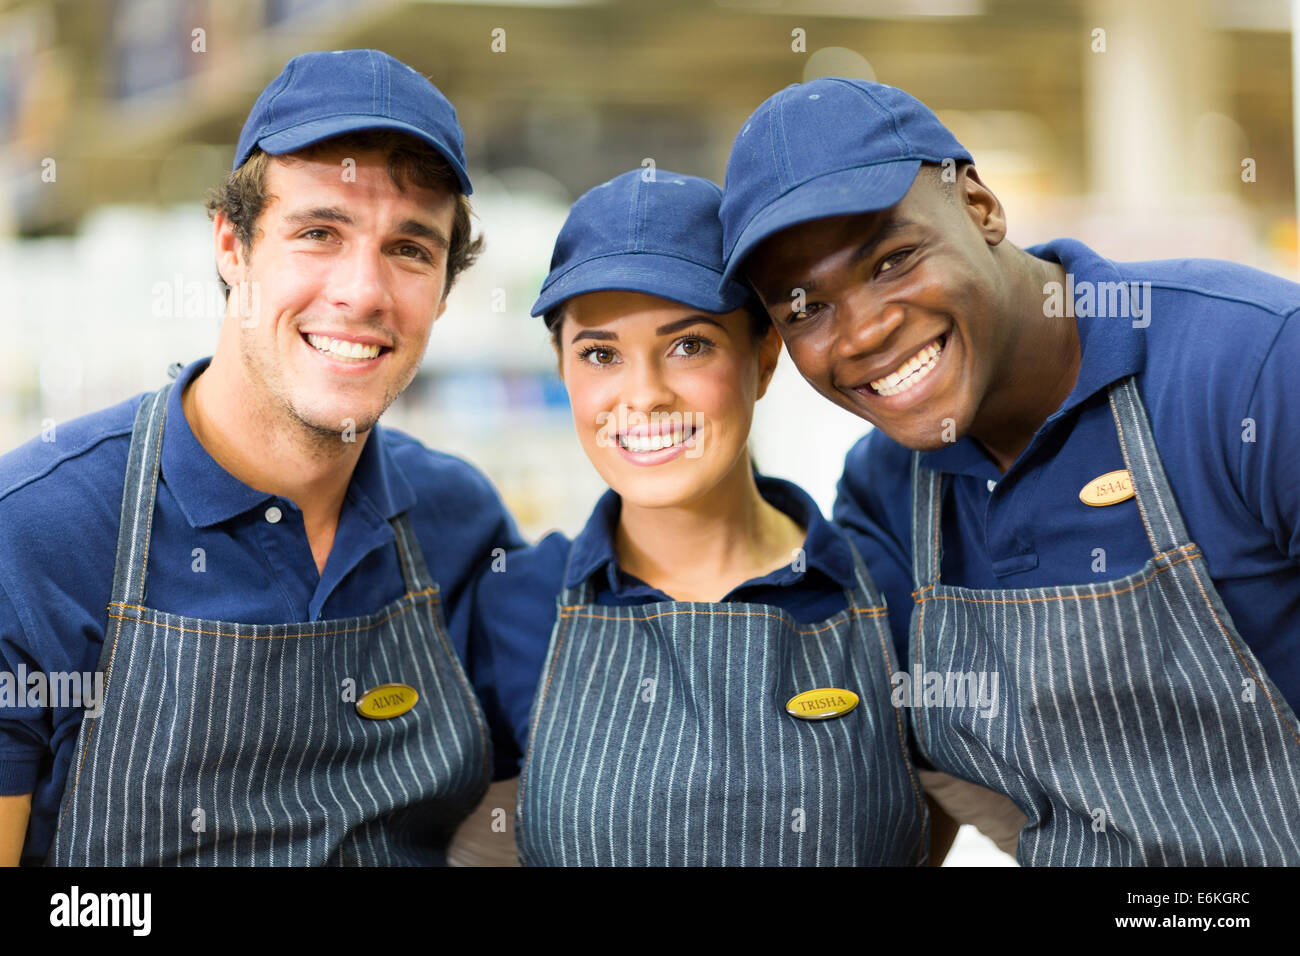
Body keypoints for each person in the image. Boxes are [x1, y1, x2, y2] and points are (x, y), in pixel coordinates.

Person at [717, 76, 1300, 865]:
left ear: (981, 208)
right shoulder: (889, 495)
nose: (862, 334)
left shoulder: (1251, 367)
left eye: (891, 261)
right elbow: (892, 789)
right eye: (805, 309)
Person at [0, 49, 522, 866]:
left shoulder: (461, 524)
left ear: (445, 291)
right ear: (232, 248)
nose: (364, 291)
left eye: (411, 249)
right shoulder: (33, 536)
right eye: (319, 232)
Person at [473, 168, 933, 867]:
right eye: (600, 354)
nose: (645, 395)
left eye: (690, 345)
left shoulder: (889, 596)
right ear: (562, 368)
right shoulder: (515, 603)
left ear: (766, 356)